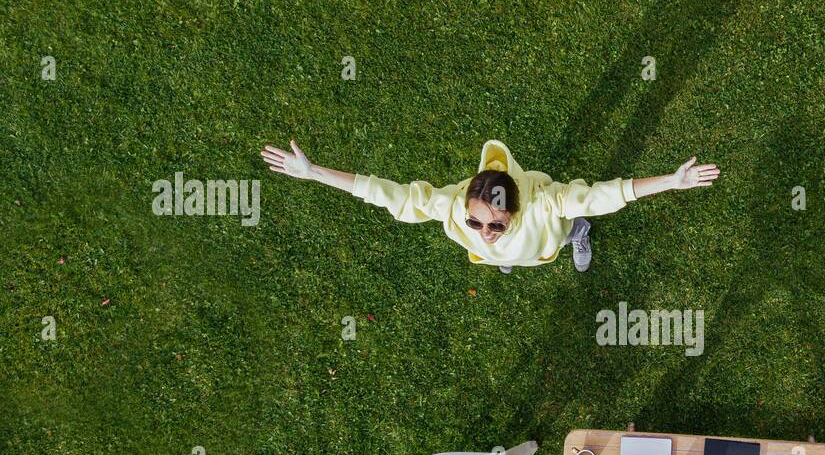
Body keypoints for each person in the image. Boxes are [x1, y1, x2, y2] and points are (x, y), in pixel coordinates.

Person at [259, 139, 719, 273]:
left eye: (495, 226)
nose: (481, 229)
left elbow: (605, 194)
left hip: (546, 241)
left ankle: (577, 234)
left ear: (517, 211)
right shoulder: (453, 207)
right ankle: (507, 261)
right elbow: (385, 192)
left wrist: (671, 182)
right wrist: (314, 171)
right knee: (502, 258)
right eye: (475, 221)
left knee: (576, 223)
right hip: (518, 252)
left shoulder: (545, 204)